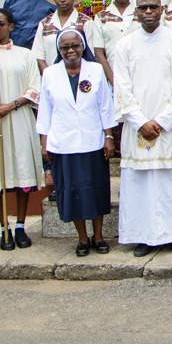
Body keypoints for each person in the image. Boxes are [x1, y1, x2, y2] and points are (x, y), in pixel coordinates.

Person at [112, 0, 172, 257]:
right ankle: (144, 236)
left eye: (153, 7)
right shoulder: (124, 45)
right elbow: (122, 88)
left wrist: (162, 121)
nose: (148, 12)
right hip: (138, 126)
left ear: (162, 9)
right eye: (143, 8)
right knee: (142, 183)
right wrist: (140, 121)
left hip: (171, 125)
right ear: (135, 12)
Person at [36, 29, 114, 256]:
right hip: (63, 142)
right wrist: (44, 142)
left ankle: (98, 236)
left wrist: (108, 136)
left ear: (83, 46)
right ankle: (82, 238)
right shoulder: (50, 74)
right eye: (65, 48)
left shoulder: (96, 70)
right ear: (59, 51)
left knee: (96, 190)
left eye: (75, 46)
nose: (71, 51)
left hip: (93, 140)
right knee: (72, 191)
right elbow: (45, 111)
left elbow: (105, 105)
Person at [0, 9, 44, 249]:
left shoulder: (25, 55)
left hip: (18, 116)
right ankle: (4, 229)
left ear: (10, 27)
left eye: (0, 24)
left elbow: (35, 88)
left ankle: (21, 225)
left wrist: (13, 105)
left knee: (21, 168)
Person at [88, 0, 140, 84]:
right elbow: (99, 53)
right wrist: (112, 80)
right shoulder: (101, 17)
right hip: (112, 75)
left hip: (140, 74)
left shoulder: (140, 13)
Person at [31, 0, 90, 72]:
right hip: (51, 79)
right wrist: (50, 78)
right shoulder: (45, 24)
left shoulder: (85, 22)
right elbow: (39, 56)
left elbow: (89, 55)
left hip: (79, 78)